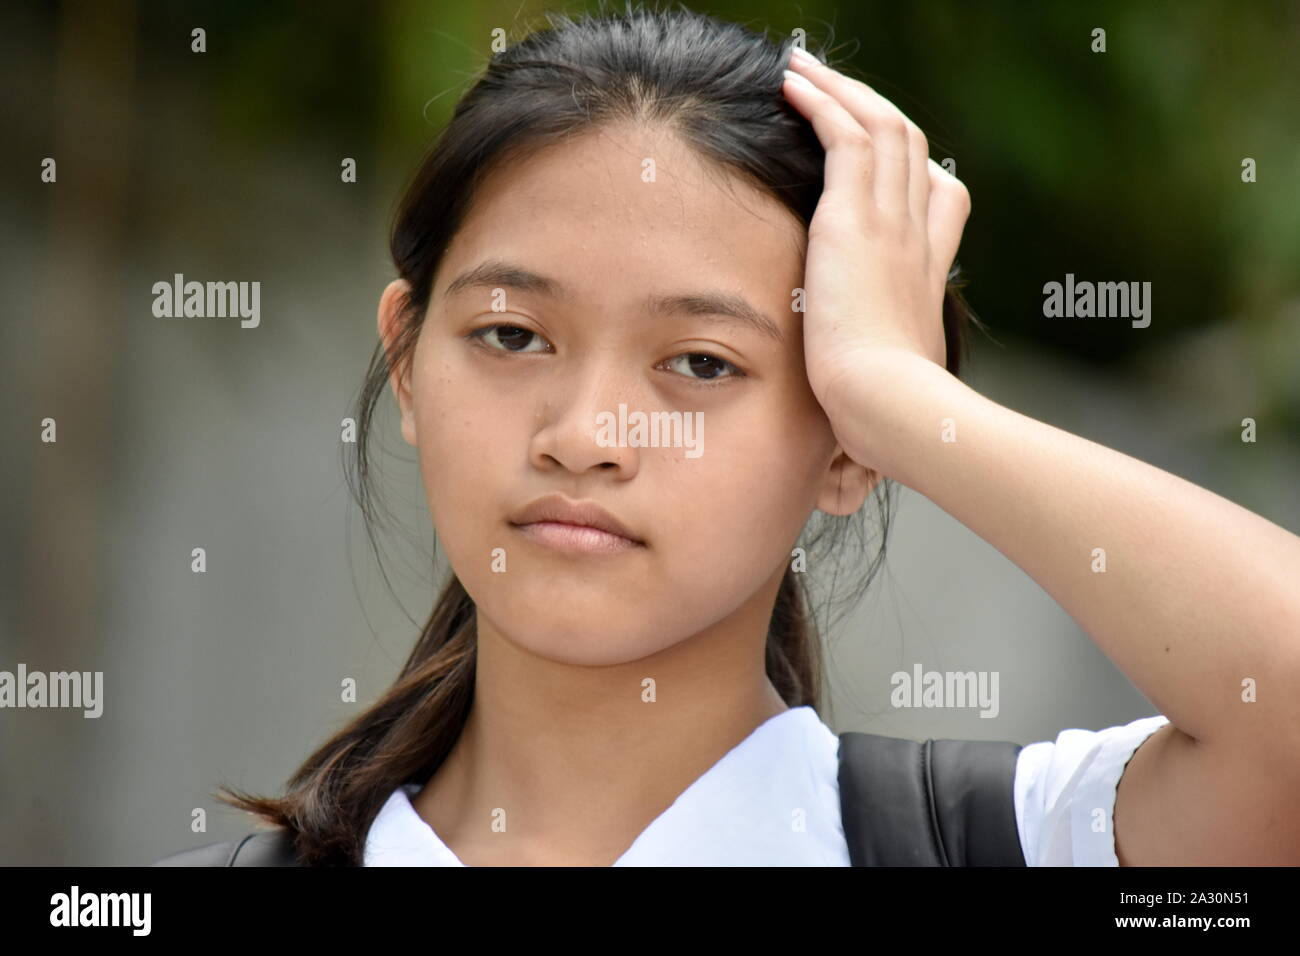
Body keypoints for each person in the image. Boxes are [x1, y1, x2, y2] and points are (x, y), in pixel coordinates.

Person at [154, 3, 1300, 867]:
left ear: (847, 442)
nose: (582, 434)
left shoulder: (1005, 842)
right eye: (511, 335)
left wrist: (902, 394)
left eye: (701, 362)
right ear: (405, 354)